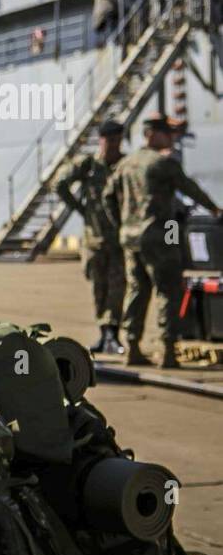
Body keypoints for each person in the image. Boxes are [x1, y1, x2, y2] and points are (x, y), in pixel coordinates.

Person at [103, 113, 222, 368]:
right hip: (161, 235)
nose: (170, 138)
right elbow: (190, 188)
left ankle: (132, 347)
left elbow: (107, 197)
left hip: (131, 238)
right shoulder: (161, 163)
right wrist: (215, 210)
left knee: (136, 290)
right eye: (166, 133)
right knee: (167, 290)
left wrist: (122, 224)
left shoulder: (126, 164)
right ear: (152, 134)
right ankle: (167, 351)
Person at [54, 119, 127, 354]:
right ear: (101, 140)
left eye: (117, 140)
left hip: (118, 240)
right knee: (99, 288)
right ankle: (103, 332)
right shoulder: (88, 165)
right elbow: (60, 183)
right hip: (94, 239)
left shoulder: (125, 166)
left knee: (117, 288)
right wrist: (80, 209)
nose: (114, 146)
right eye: (110, 141)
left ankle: (113, 334)